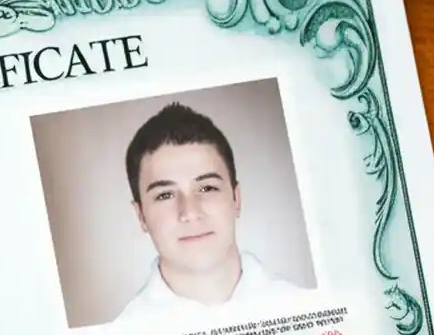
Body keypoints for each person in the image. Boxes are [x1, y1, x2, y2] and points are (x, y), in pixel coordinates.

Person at [115, 102, 305, 322]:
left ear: (236, 199)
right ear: (141, 216)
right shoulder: (121, 334)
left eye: (207, 188)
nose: (190, 212)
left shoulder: (305, 308)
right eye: (165, 195)